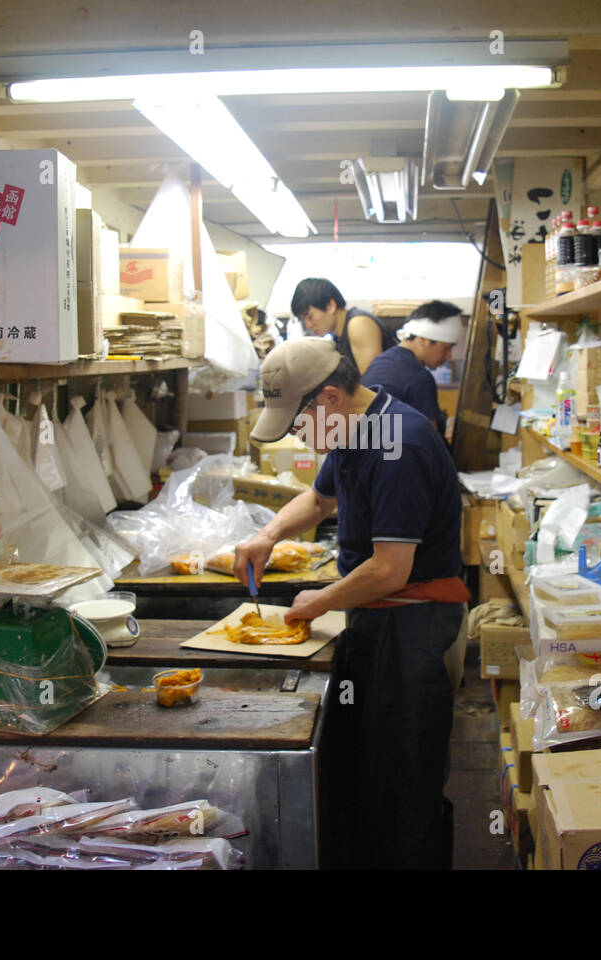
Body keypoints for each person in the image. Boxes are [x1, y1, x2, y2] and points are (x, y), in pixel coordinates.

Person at [234, 337, 468, 869]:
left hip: (415, 630)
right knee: (372, 777)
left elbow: (390, 568)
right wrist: (267, 535)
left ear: (330, 399)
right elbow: (320, 498)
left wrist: (319, 601)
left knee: (405, 788)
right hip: (378, 619)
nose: (298, 435)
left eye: (297, 423)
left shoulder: (398, 445)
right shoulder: (357, 426)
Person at [362, 300, 462, 438]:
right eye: (447, 347)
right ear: (424, 340)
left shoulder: (384, 359)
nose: (449, 355)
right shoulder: (418, 377)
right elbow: (430, 440)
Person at [290, 277, 397, 377]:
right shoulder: (337, 336)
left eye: (309, 317)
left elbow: (371, 382)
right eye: (304, 320)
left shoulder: (358, 324)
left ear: (330, 306)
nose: (308, 325)